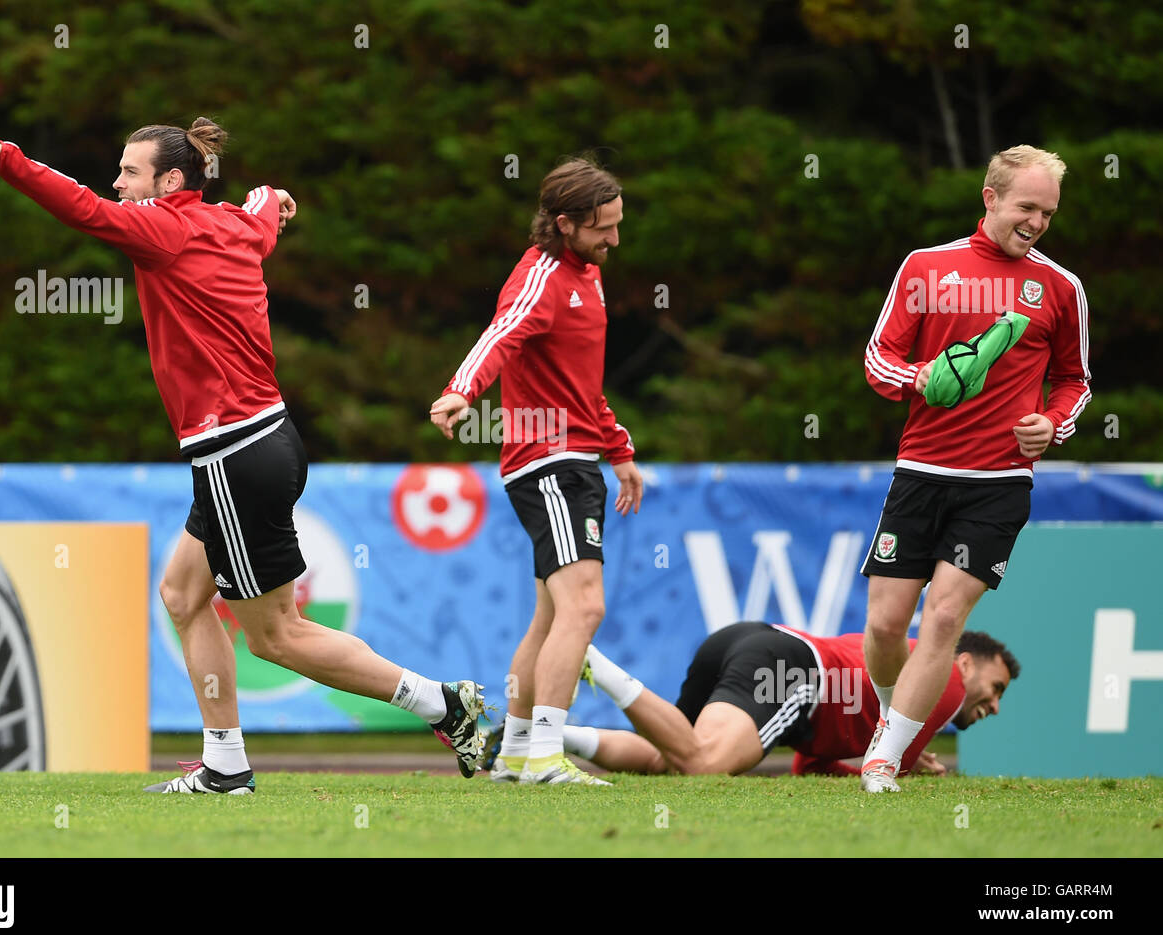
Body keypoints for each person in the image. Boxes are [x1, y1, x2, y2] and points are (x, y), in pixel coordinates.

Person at [0, 84, 488, 793]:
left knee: (277, 635)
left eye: (129, 172)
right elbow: (262, 211)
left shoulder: (163, 229)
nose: (117, 182)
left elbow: (77, 205)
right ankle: (226, 765)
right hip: (261, 443)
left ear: (171, 182)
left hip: (235, 452)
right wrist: (274, 194)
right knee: (181, 595)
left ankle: (443, 705)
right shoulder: (234, 223)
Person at [858, 144, 1090, 792]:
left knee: (943, 617)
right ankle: (891, 722)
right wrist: (919, 377)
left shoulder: (1061, 287)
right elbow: (879, 362)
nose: (1038, 222)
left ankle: (885, 760)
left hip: (1000, 481)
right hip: (921, 470)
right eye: (1026, 207)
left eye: (1048, 212)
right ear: (990, 198)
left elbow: (1075, 380)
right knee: (883, 622)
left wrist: (1055, 423)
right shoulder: (926, 267)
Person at [429, 157, 642, 785]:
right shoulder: (542, 275)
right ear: (564, 223)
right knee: (585, 608)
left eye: (618, 224)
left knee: (552, 616)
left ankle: (519, 753)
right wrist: (462, 390)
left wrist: (620, 448)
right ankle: (549, 758)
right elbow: (500, 335)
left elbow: (582, 384)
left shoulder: (588, 276)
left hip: (577, 459)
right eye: (603, 228)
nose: (615, 240)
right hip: (548, 464)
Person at [486, 622, 1017, 779]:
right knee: (706, 765)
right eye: (994, 689)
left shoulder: (908, 688)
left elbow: (810, 765)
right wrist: (905, 766)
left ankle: (543, 738)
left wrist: (889, 762)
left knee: (670, 757)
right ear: (966, 664)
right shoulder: (944, 673)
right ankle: (593, 661)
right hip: (792, 668)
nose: (992, 706)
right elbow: (887, 769)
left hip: (752, 642)